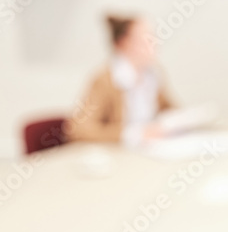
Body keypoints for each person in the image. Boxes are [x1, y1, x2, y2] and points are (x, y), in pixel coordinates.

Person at [65, 15, 173, 146]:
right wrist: (134, 134)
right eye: (147, 39)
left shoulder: (152, 75)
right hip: (117, 157)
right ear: (124, 43)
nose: (155, 43)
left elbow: (169, 109)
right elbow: (78, 130)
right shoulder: (106, 80)